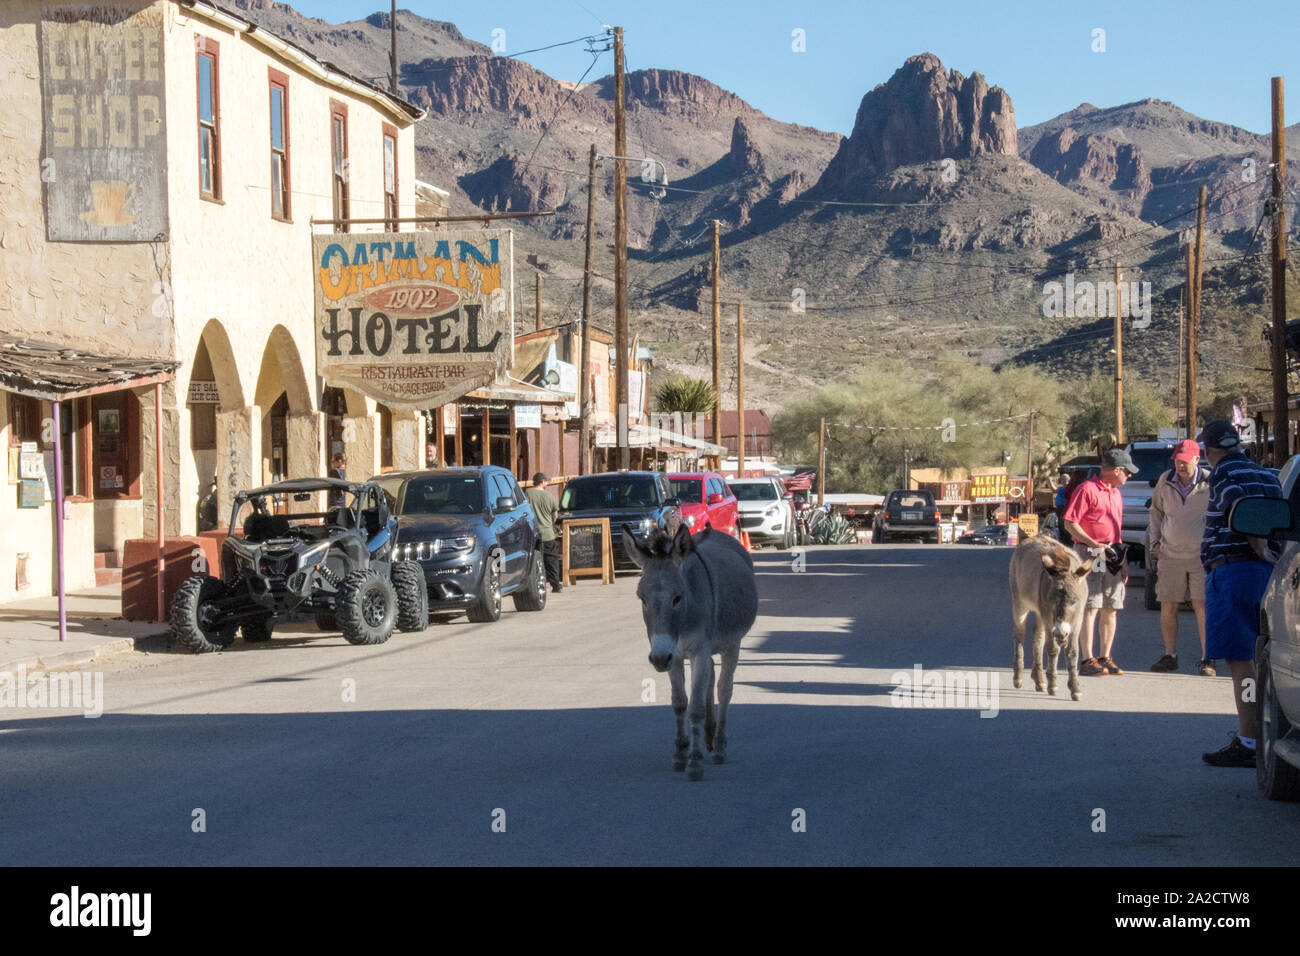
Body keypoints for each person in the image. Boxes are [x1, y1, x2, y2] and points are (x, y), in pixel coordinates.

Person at [1199, 420, 1283, 768]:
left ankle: (1249, 740)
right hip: (1267, 575)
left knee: (1240, 657)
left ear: (1208, 450)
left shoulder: (1223, 474)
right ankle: (1265, 733)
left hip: (1235, 570)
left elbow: (1238, 507)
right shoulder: (1265, 474)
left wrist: (1258, 544)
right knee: (1263, 655)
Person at [1063, 447, 1136, 676]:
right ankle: (1087, 659)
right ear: (1116, 470)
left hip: (1111, 553)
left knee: (1111, 606)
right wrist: (1093, 543)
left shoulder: (1115, 493)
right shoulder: (1087, 490)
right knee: (1091, 605)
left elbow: (1116, 529)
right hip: (1089, 553)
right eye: (1127, 471)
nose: (1130, 476)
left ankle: (1105, 656)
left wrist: (1123, 560)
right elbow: (1069, 523)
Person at [1147, 440, 1214, 675]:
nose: (1180, 466)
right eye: (1177, 461)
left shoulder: (1210, 482)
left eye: (1184, 462)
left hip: (1201, 556)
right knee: (1168, 605)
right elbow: (1156, 512)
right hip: (1170, 554)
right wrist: (1154, 543)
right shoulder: (1165, 481)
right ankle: (1169, 655)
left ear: (1197, 459)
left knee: (1202, 606)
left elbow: (1221, 515)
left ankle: (1208, 659)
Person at [524, 472, 563, 593]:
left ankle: (538, 584)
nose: (547, 484)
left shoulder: (527, 494)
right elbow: (555, 515)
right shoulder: (549, 496)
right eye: (546, 482)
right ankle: (556, 585)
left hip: (533, 534)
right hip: (548, 533)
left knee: (536, 561)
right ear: (542, 482)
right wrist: (550, 523)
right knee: (552, 561)